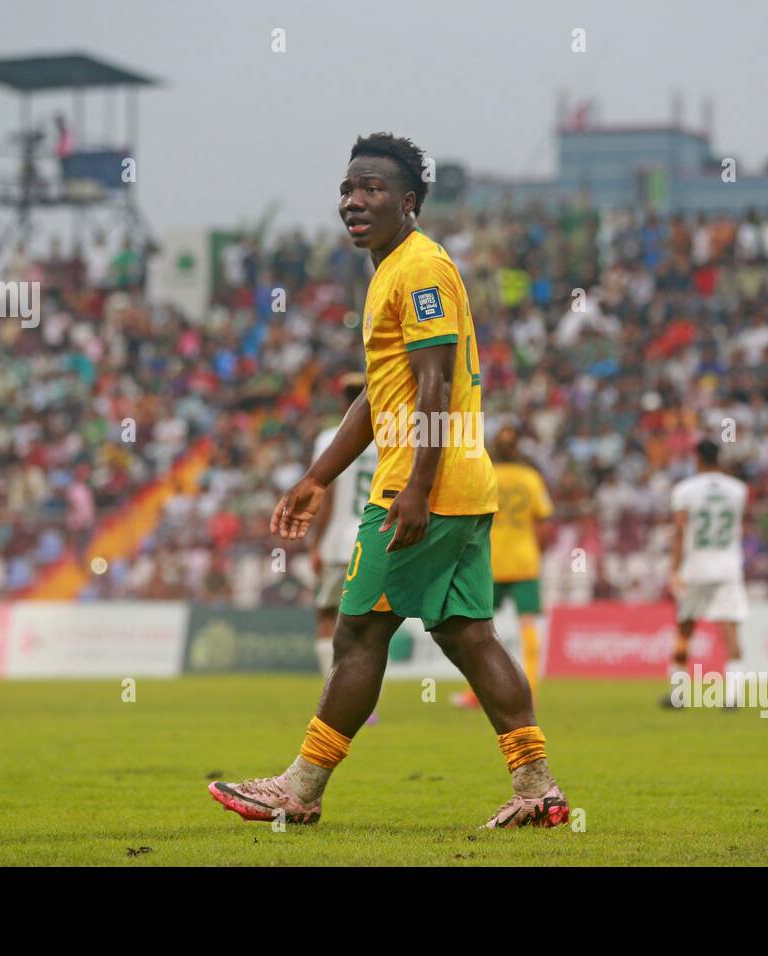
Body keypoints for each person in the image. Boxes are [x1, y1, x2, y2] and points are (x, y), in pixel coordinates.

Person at [208, 132, 569, 829]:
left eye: (372, 188)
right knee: (468, 634)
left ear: (408, 203)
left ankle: (300, 789)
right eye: (347, 189)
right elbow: (381, 396)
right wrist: (318, 478)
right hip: (459, 481)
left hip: (424, 482)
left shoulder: (421, 269)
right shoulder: (394, 271)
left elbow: (433, 386)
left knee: (358, 637)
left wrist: (416, 489)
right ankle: (538, 787)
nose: (354, 200)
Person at [454, 423, 553, 708]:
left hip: (489, 561)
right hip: (524, 561)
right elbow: (544, 522)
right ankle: (529, 691)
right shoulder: (531, 478)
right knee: (529, 626)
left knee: (477, 630)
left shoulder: (485, 473)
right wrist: (537, 551)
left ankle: (475, 694)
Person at [308, 372, 380, 725]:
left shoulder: (329, 439)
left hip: (339, 540)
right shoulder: (389, 434)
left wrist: (316, 543)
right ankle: (366, 706)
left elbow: (326, 492)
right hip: (376, 536)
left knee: (327, 615)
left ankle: (334, 699)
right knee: (367, 625)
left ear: (343, 401)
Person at [663, 438, 749, 709]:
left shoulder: (684, 490)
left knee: (685, 631)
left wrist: (674, 568)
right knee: (730, 632)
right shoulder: (739, 490)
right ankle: (733, 696)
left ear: (697, 459)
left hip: (695, 568)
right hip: (727, 567)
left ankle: (678, 694)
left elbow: (680, 531)